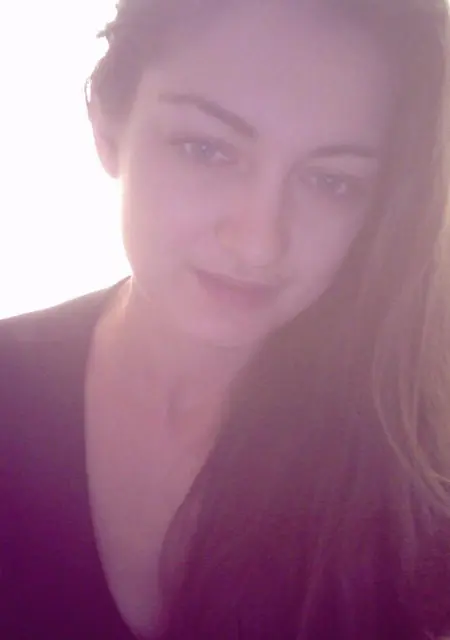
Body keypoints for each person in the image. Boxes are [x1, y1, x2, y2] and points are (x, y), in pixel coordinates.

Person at [1, 0, 450, 638]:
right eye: (206, 149)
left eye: (331, 182)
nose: (259, 242)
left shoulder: (418, 456)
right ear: (107, 125)